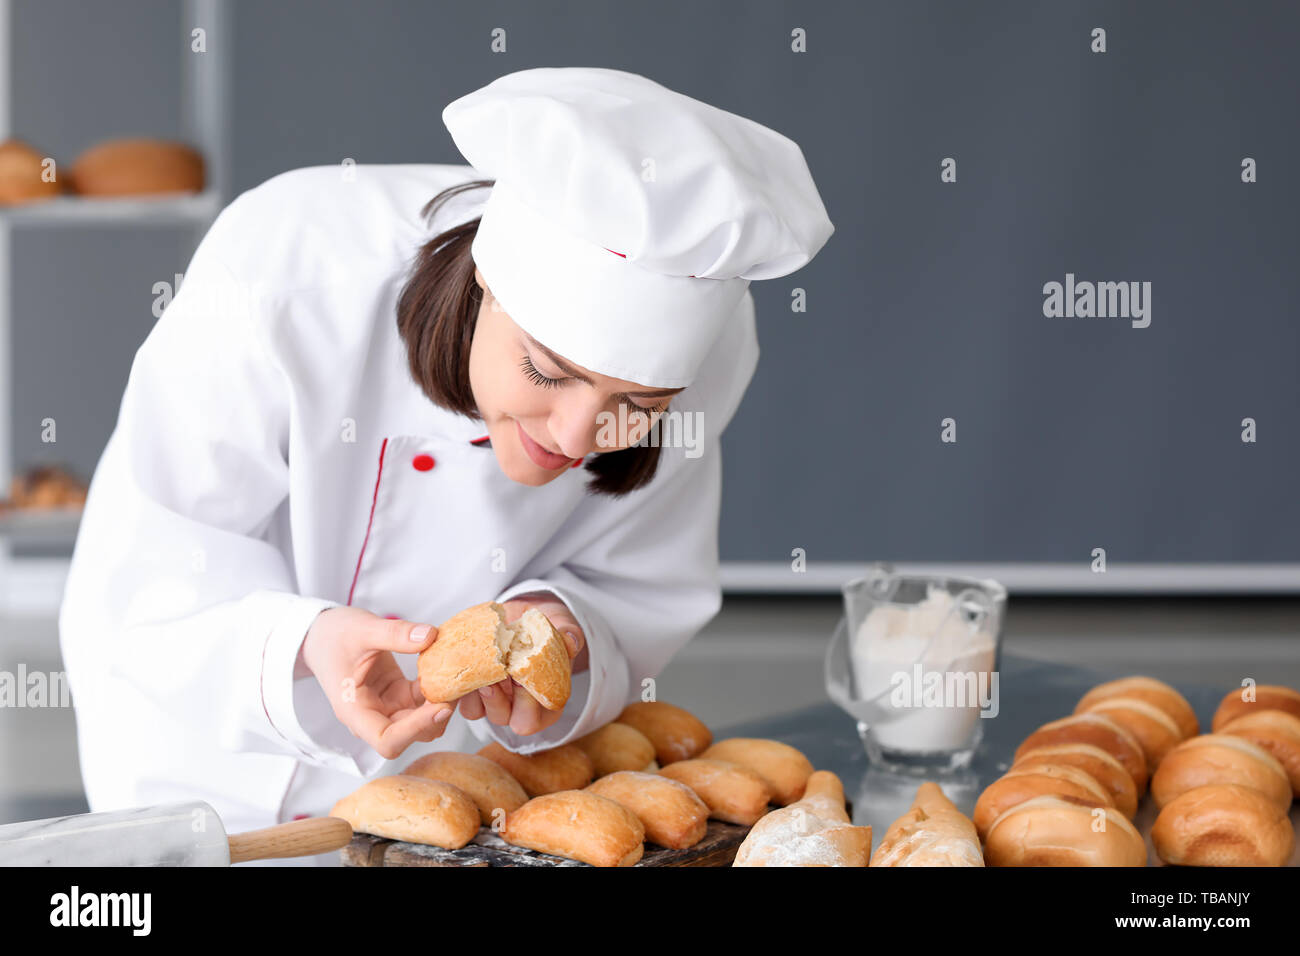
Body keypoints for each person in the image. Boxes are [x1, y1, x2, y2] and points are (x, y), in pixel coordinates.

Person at [57, 66, 833, 862]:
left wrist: (570, 632)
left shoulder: (714, 350)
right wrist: (301, 641)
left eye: (636, 405)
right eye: (547, 371)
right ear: (488, 283)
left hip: (450, 803)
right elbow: (154, 558)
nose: (576, 434)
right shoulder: (290, 274)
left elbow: (638, 583)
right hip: (200, 773)